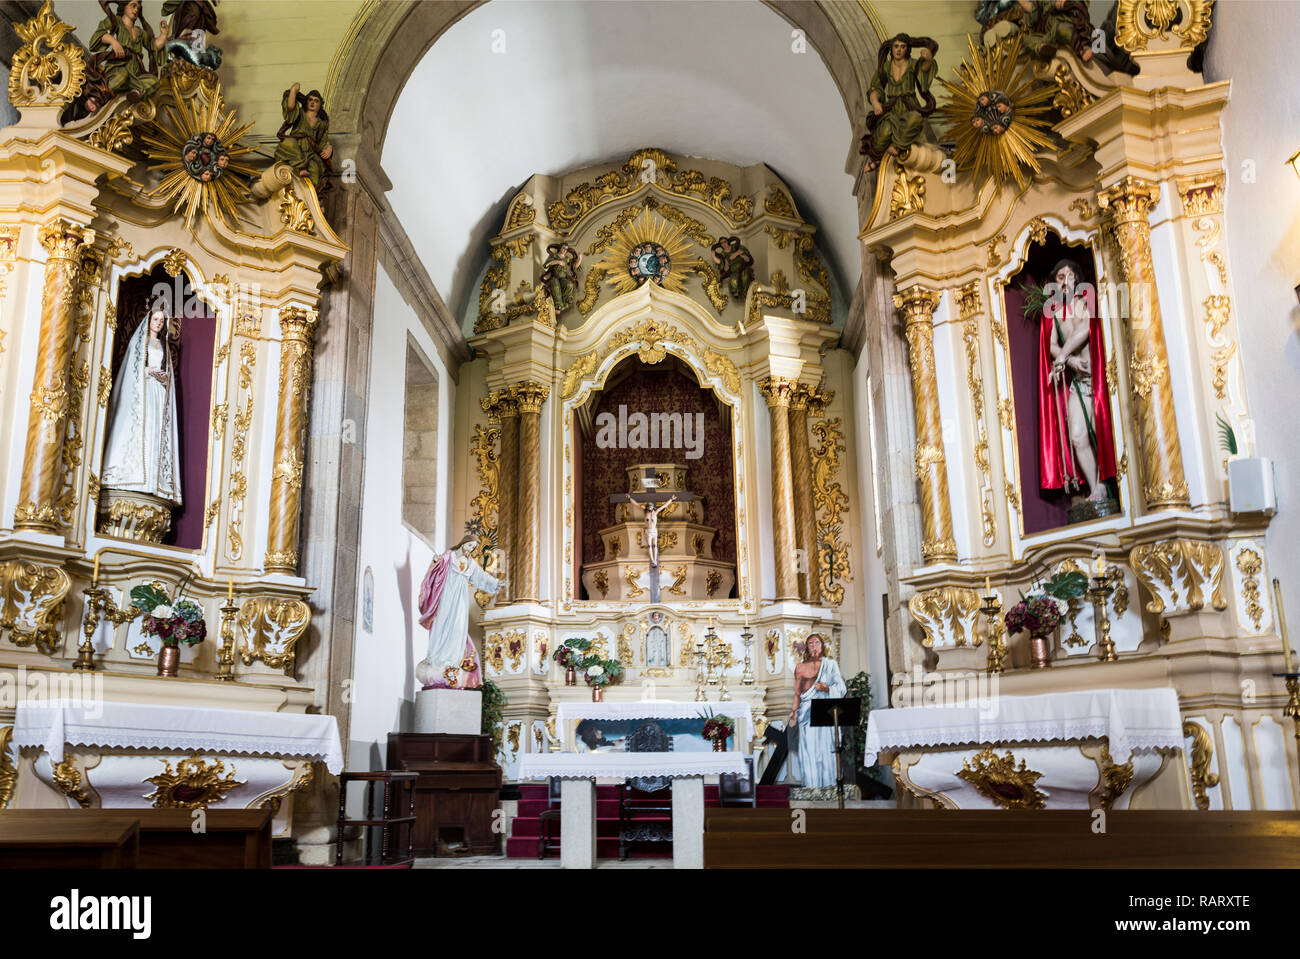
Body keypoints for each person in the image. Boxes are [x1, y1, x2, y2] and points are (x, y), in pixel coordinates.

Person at [1037, 258, 1117, 504]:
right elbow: (1050, 345)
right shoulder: (1053, 314)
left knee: (1099, 431)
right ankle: (1096, 488)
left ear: (1077, 279)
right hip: (1078, 383)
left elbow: (1084, 331)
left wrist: (1061, 357)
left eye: (1070, 276)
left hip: (1099, 380)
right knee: (1077, 436)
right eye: (1060, 277)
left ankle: (1107, 483)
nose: (1065, 281)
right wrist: (1068, 362)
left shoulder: (1086, 303)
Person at [101, 307, 182, 505]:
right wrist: (148, 372)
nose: (158, 324)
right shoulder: (140, 342)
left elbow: (166, 370)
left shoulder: (163, 345)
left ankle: (154, 481)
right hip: (143, 390)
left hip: (156, 391)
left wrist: (163, 378)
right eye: (156, 320)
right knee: (141, 428)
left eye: (161, 321)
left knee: (155, 431)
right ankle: (135, 476)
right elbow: (134, 368)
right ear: (149, 320)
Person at [416, 534, 506, 690]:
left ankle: (451, 661)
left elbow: (481, 576)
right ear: (463, 544)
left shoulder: (470, 563)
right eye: (470, 546)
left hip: (460, 602)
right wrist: (435, 562)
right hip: (446, 598)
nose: (470, 549)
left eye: (473, 548)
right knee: (442, 625)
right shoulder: (449, 556)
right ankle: (438, 659)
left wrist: (496, 582)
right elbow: (436, 567)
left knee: (458, 628)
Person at [860, 33, 938, 172]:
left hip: (910, 105)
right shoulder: (886, 67)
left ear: (907, 49)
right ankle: (877, 159)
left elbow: (924, 69)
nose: (899, 50)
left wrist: (928, 59)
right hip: (891, 107)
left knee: (915, 119)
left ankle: (897, 146)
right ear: (891, 48)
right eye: (896, 46)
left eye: (902, 47)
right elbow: (875, 88)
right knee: (884, 132)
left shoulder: (913, 64)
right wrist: (875, 102)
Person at [787, 634, 846, 788]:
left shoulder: (830, 664)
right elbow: (797, 693)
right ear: (807, 647)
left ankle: (830, 785)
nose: (814, 646)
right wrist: (794, 711)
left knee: (826, 749)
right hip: (807, 713)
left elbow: (841, 688)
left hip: (826, 712)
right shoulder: (800, 668)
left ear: (822, 646)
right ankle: (811, 786)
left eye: (817, 643)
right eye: (811, 643)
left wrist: (827, 688)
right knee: (809, 751)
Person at [90, 0, 169, 103]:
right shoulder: (116, 21)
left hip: (135, 74)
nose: (136, 9)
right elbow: (99, 36)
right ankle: (98, 96)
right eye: (133, 6)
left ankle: (135, 93)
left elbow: (154, 46)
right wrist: (113, 41)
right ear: (125, 6)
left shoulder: (140, 32)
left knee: (155, 81)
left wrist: (164, 34)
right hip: (118, 67)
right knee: (122, 76)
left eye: (138, 8)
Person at [274, 82, 333, 191]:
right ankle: (300, 167)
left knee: (315, 169)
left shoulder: (322, 123)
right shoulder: (300, 113)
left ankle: (314, 198)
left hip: (310, 152)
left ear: (320, 105)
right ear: (306, 102)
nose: (312, 102)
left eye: (316, 101)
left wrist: (329, 148)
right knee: (288, 143)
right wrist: (293, 90)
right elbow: (290, 107)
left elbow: (323, 142)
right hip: (296, 146)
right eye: (310, 99)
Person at [632, 494, 676, 567]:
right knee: (649, 546)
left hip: (654, 531)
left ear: (653, 507)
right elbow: (636, 505)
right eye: (649, 506)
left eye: (651, 506)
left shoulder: (655, 512)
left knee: (655, 546)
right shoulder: (645, 513)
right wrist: (630, 498)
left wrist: (671, 499)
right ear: (647, 507)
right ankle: (652, 560)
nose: (650, 507)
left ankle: (655, 560)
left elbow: (664, 506)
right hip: (648, 531)